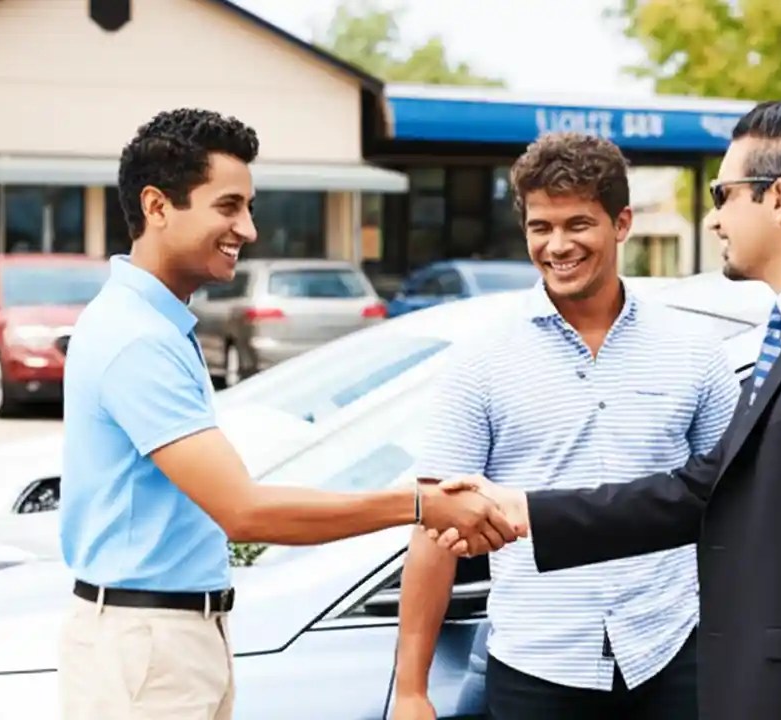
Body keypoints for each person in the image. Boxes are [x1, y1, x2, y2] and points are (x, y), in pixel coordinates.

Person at [434, 101, 781, 720]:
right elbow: (705, 492)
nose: (714, 220)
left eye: (724, 194)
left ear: (780, 198)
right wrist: (528, 511)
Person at [57, 108, 517, 720]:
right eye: (227, 206)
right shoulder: (137, 337)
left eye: (249, 208)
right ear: (157, 206)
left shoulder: (157, 321)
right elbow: (243, 511)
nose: (246, 229)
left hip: (171, 636)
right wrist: (418, 502)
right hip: (149, 648)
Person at [391, 131, 739, 720]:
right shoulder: (482, 358)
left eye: (578, 224)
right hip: (537, 665)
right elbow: (434, 524)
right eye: (540, 228)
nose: (557, 246)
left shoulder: (694, 349)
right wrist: (410, 689)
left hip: (673, 653)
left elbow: (732, 504)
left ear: (621, 222)